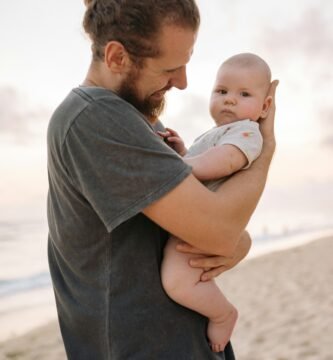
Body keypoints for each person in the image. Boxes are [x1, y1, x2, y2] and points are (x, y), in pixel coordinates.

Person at [47, 0, 278, 359]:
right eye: (171, 68)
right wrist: (266, 146)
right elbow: (219, 229)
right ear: (117, 57)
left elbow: (209, 226)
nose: (183, 83)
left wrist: (237, 241)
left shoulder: (141, 122)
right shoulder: (94, 119)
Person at [158, 53, 272, 353]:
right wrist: (183, 152)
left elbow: (224, 161)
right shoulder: (216, 133)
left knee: (177, 281)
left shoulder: (248, 132)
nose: (229, 100)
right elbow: (200, 163)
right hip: (197, 218)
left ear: (265, 106)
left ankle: (222, 313)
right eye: (221, 91)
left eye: (243, 94)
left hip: (204, 223)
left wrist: (185, 165)